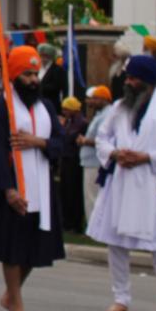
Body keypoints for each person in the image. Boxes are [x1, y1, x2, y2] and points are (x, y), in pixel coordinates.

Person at [87, 55, 156, 311]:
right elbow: (101, 139)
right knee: (116, 244)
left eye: (133, 78)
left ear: (148, 81)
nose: (128, 82)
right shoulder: (119, 107)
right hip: (121, 180)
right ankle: (121, 298)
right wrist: (114, 154)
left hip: (151, 182)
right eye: (127, 77)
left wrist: (147, 157)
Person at [0, 46, 66, 311]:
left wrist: (40, 142)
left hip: (41, 186)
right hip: (12, 184)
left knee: (37, 247)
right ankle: (17, 303)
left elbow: (62, 143)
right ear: (14, 76)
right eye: (27, 74)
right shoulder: (1, 107)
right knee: (13, 246)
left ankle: (10, 294)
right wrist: (9, 189)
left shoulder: (46, 107)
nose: (34, 80)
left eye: (36, 74)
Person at [79, 86, 114, 223]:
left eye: (94, 98)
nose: (90, 101)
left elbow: (104, 140)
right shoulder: (100, 114)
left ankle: (95, 226)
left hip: (96, 161)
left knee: (93, 196)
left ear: (104, 99)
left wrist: (85, 141)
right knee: (92, 195)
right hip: (92, 160)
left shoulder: (107, 115)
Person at [58, 97, 88, 233]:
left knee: (73, 192)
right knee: (65, 191)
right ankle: (66, 222)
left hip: (74, 160)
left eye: (66, 109)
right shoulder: (70, 121)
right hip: (66, 158)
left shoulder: (80, 122)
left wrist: (62, 128)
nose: (63, 111)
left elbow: (69, 137)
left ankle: (75, 224)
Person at [37, 44, 68, 112]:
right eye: (41, 55)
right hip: (37, 103)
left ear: (50, 56)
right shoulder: (37, 68)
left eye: (45, 55)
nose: (43, 58)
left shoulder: (57, 70)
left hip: (51, 104)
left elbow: (55, 87)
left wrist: (38, 86)